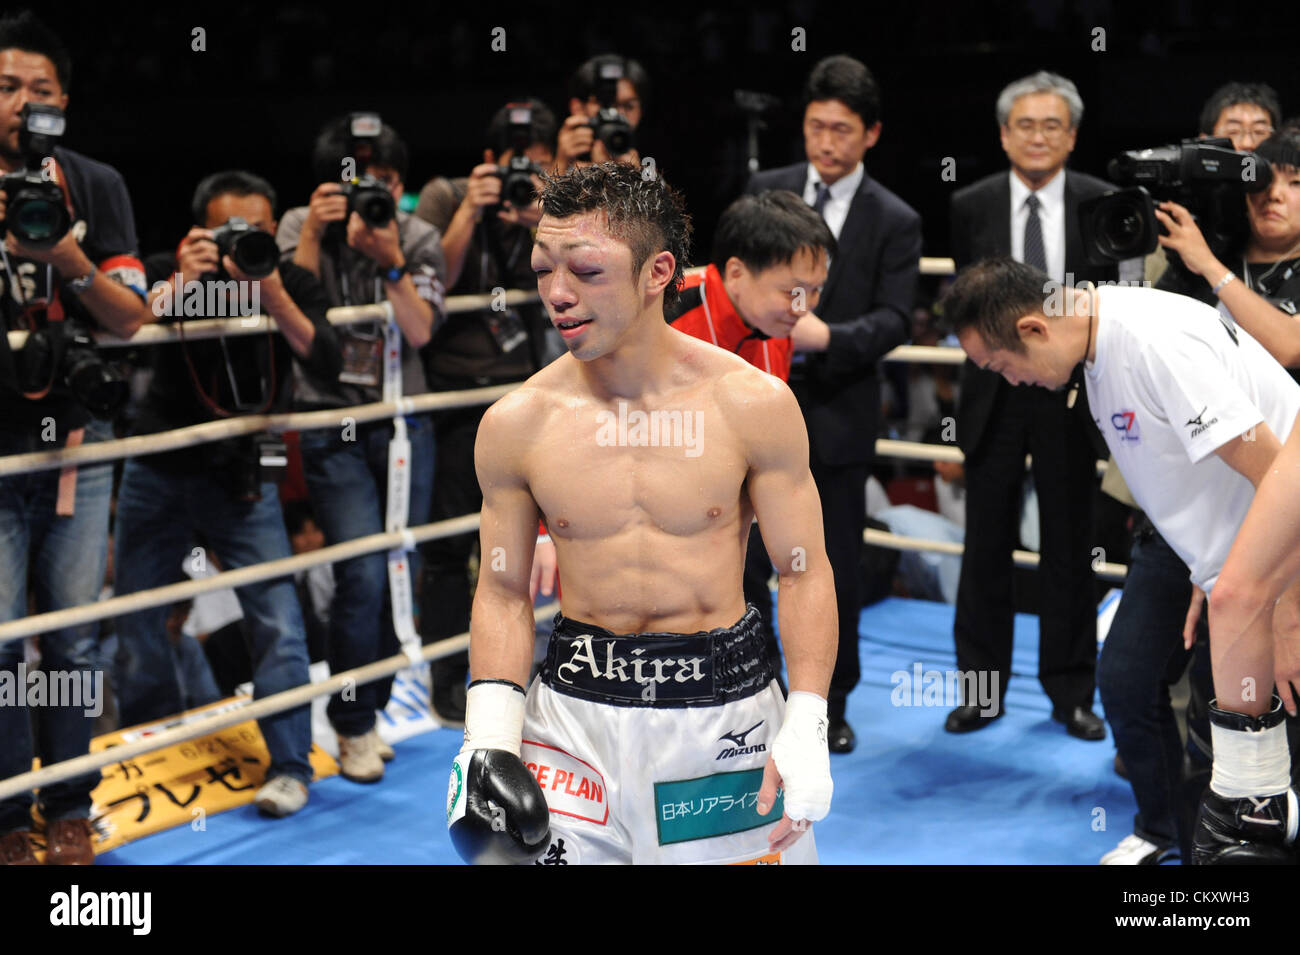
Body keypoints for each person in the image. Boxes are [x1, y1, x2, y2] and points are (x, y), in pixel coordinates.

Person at [445, 162, 835, 865]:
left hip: (723, 719)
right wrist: (491, 734)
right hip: (572, 719)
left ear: (658, 272)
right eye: (542, 270)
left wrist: (807, 715)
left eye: (587, 272)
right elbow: (501, 588)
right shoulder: (517, 422)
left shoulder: (753, 406)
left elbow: (802, 571)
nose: (557, 295)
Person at [947, 256, 1300, 864]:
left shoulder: (1152, 344)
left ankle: (1229, 852)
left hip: (1275, 552)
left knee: (1238, 720)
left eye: (1002, 366)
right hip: (1205, 546)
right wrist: (1206, 558)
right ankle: (1167, 830)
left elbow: (1280, 475)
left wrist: (1284, 604)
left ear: (1033, 329)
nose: (1008, 382)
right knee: (1126, 679)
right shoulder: (1092, 331)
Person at [1096, 93, 1289, 866]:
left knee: (1242, 696)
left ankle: (1239, 838)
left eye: (1272, 162)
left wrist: (1238, 563)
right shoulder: (1177, 253)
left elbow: (1291, 350)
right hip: (1188, 523)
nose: (1262, 183)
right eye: (1230, 144)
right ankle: (1164, 825)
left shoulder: (1228, 264)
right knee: (1131, 675)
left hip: (1274, 516)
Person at [113, 170, 339, 820]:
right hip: (160, 464)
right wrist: (185, 278)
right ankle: (150, 760)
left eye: (256, 231)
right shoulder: (173, 270)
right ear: (198, 233)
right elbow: (131, 327)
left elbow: (324, 355)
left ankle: (291, 764)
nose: (241, 241)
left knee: (277, 620)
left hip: (245, 474)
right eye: (226, 232)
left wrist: (265, 285)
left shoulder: (288, 279)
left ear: (273, 231)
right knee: (139, 618)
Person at [0, 11, 152, 866]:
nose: (23, 102)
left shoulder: (93, 184)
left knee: (73, 637)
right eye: (6, 87)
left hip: (74, 450)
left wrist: (63, 253)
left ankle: (66, 804)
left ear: (63, 101)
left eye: (39, 89)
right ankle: (1, 812)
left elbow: (131, 318)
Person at [945, 71, 1132, 741]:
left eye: (1052, 124)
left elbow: (1116, 302)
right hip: (991, 396)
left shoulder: (1102, 201)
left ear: (1073, 134)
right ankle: (980, 692)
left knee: (1069, 548)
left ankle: (1072, 694)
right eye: (1025, 123)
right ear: (1003, 133)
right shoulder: (971, 204)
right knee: (983, 547)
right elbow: (965, 309)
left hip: (1071, 395)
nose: (1037, 136)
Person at [745, 54, 921, 753]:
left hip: (840, 414)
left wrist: (828, 336)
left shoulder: (895, 218)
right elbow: (736, 281)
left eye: (842, 129)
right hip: (758, 406)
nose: (826, 141)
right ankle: (755, 689)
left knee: (832, 565)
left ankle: (829, 704)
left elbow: (898, 319)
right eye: (816, 126)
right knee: (750, 557)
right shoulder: (766, 189)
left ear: (870, 134)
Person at [277, 116, 445, 783]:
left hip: (404, 423)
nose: (365, 191)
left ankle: (373, 707)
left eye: (379, 179)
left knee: (401, 570)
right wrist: (316, 234)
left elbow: (421, 329)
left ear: (398, 183)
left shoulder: (421, 234)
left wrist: (389, 258)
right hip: (329, 422)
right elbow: (298, 324)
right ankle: (352, 723)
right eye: (350, 178)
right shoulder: (297, 226)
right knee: (360, 574)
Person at [413, 100, 558, 722]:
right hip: (454, 397)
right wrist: (472, 210)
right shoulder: (446, 196)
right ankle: (449, 678)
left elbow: (568, 279)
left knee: (546, 538)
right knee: (450, 546)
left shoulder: (554, 203)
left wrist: (540, 218)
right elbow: (431, 287)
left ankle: (550, 671)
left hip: (529, 393)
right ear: (488, 159)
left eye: (537, 157)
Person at [665, 189, 833, 682]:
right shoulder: (661, 315)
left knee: (760, 656)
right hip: (665, 542)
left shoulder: (773, 315)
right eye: (794, 291)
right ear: (735, 272)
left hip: (742, 520)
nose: (805, 307)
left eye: (815, 290)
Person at [554, 54, 648, 173]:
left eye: (628, 106)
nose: (617, 114)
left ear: (641, 110)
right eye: (606, 105)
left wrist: (635, 177)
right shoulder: (552, 165)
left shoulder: (648, 174)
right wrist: (561, 163)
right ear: (577, 107)